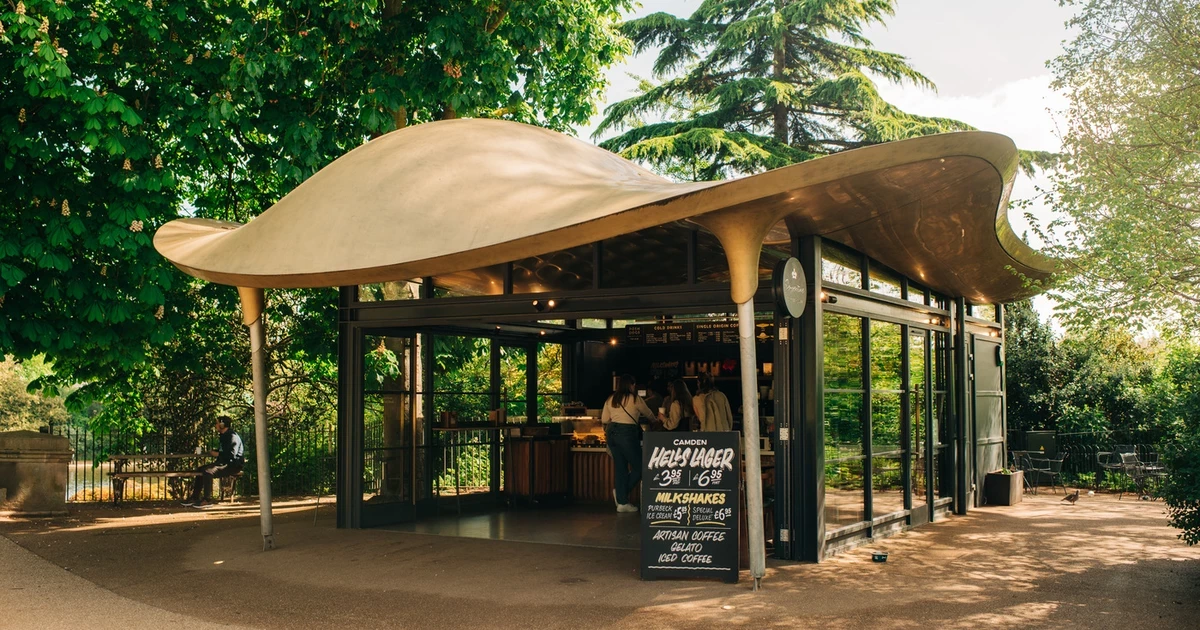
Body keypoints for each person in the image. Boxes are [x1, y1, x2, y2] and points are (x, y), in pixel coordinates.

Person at [601, 374, 655, 513]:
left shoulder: (611, 399)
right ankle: (621, 494)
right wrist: (656, 421)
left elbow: (605, 419)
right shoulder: (635, 398)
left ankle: (622, 502)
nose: (634, 387)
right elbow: (648, 414)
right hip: (626, 434)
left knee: (621, 468)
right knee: (641, 466)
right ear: (630, 385)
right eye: (633, 384)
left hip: (612, 434)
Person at [182, 415, 245, 508]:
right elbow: (224, 450)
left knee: (208, 471)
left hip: (232, 465)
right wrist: (215, 452)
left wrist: (217, 454)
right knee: (200, 469)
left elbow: (232, 454)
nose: (216, 426)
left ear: (222, 425)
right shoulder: (224, 436)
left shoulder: (232, 436)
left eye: (217, 423)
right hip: (224, 463)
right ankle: (195, 497)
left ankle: (207, 500)